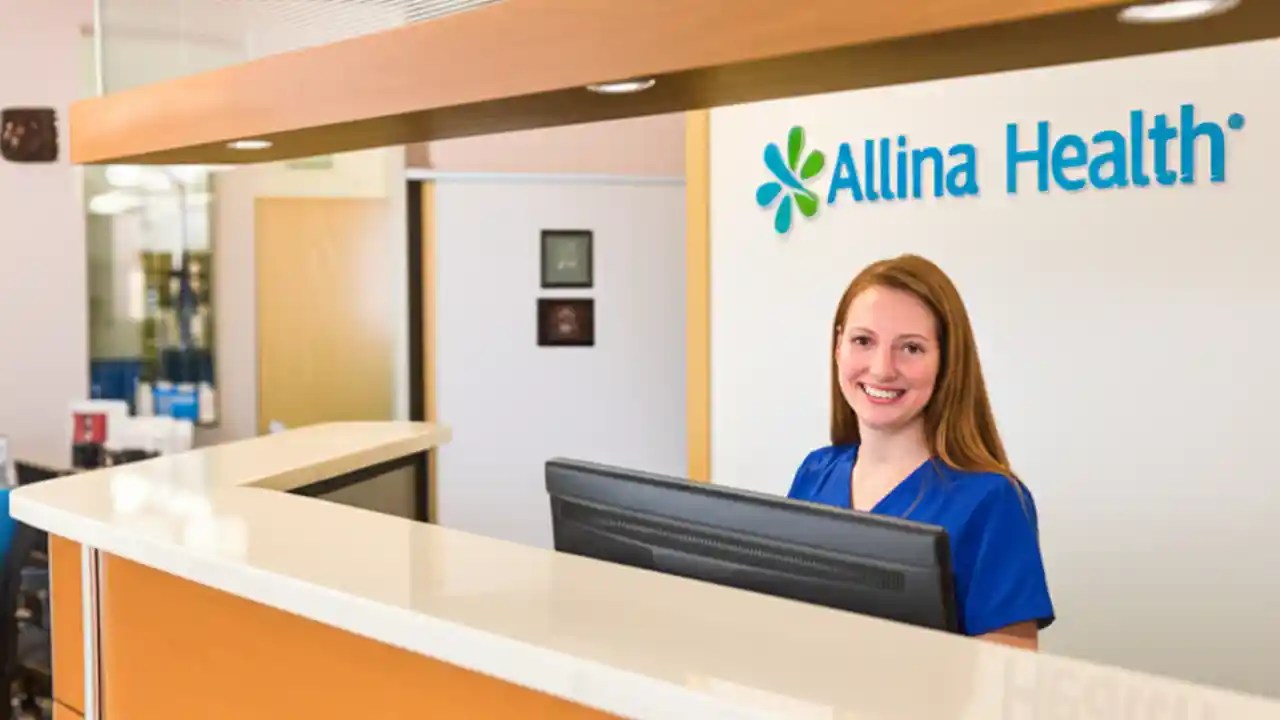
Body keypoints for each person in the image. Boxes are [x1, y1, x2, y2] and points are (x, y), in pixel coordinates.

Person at [788, 253, 1054, 650]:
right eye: (863, 341)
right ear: (838, 346)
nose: (881, 369)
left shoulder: (993, 501)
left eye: (910, 348)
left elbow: (1005, 685)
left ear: (946, 362)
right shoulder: (815, 472)